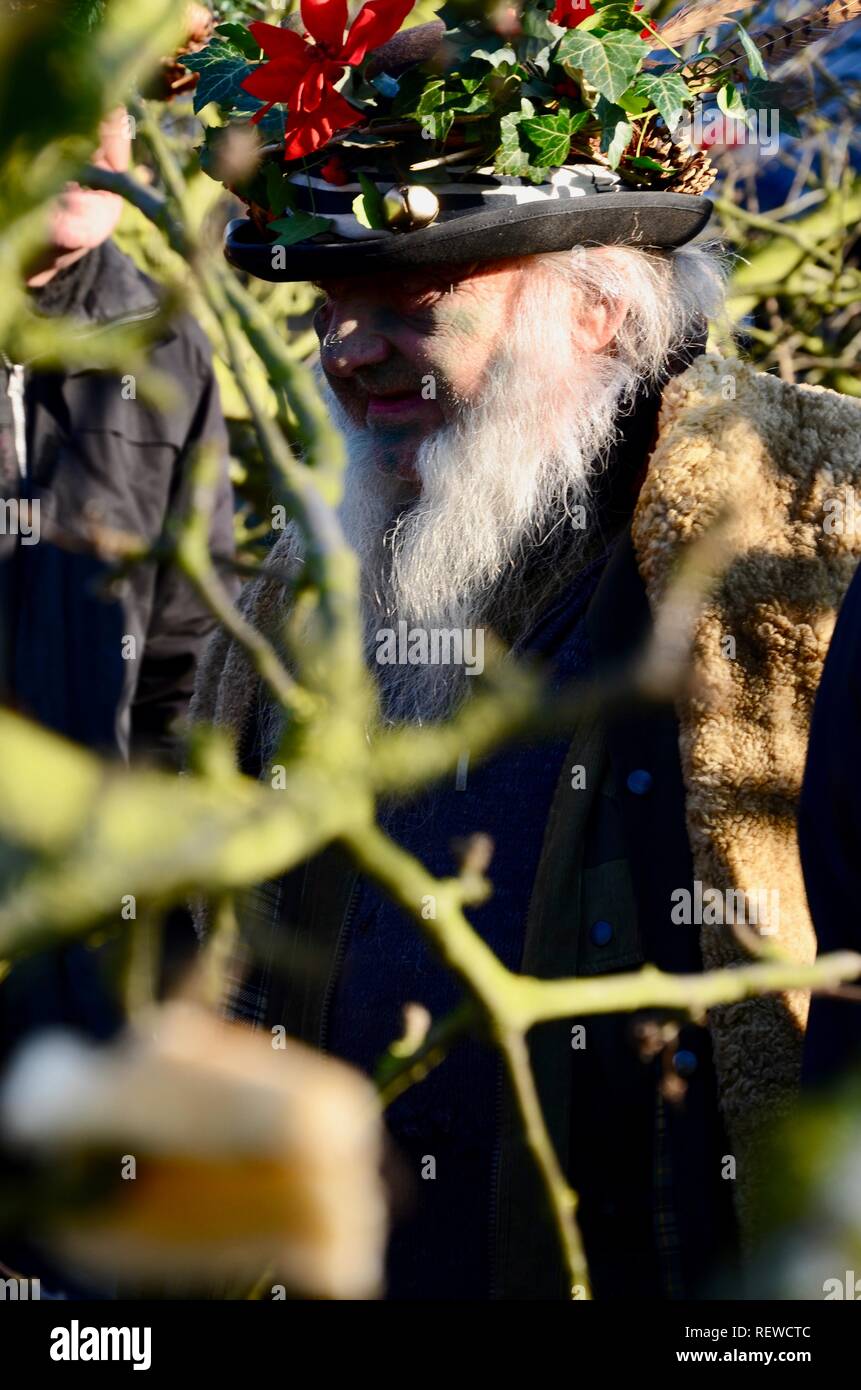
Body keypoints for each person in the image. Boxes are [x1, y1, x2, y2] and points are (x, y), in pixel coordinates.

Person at [191, 13, 861, 1299]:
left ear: (596, 309)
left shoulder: (814, 536)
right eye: (331, 306)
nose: (343, 350)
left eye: (409, 302)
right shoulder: (316, 580)